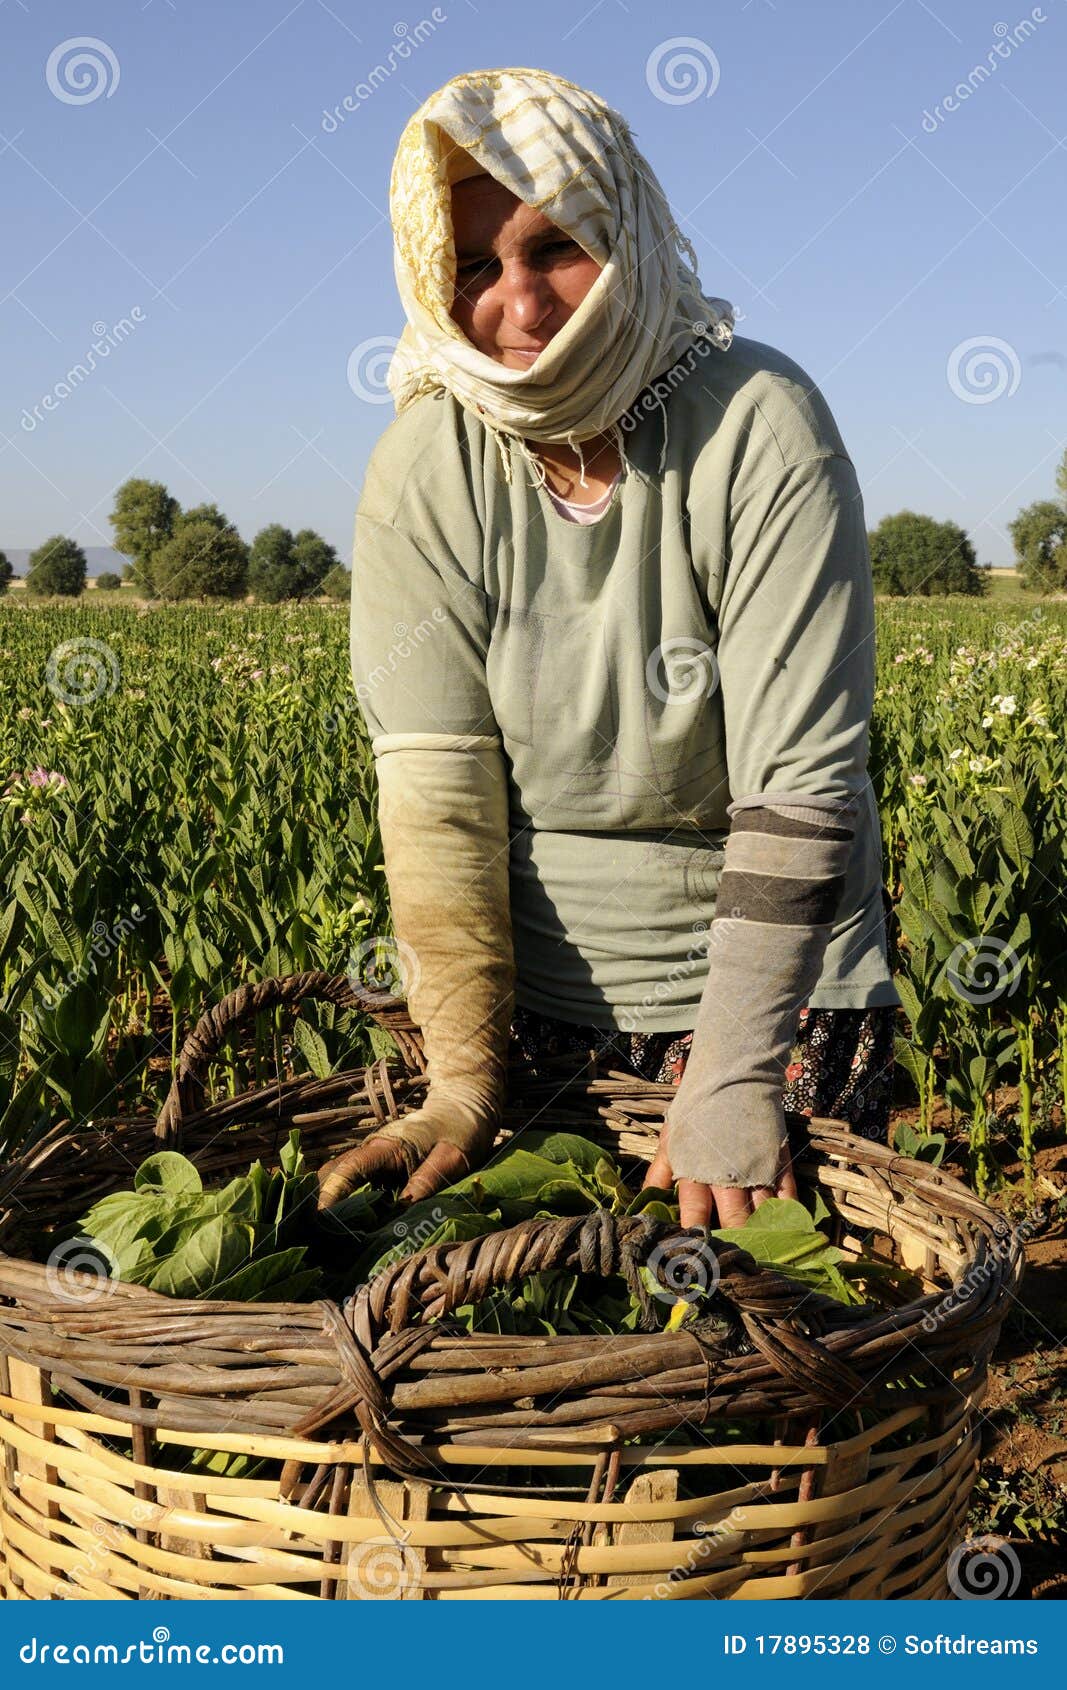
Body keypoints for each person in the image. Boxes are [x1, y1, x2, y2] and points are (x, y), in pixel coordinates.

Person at [318, 66, 900, 1231]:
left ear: (624, 231)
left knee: (761, 1335)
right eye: (475, 268)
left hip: (776, 986)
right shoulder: (427, 471)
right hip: (533, 993)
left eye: (556, 247)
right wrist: (464, 1082)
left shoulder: (755, 426)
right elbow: (438, 801)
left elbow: (796, 786)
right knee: (534, 1343)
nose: (521, 304)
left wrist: (731, 1074)